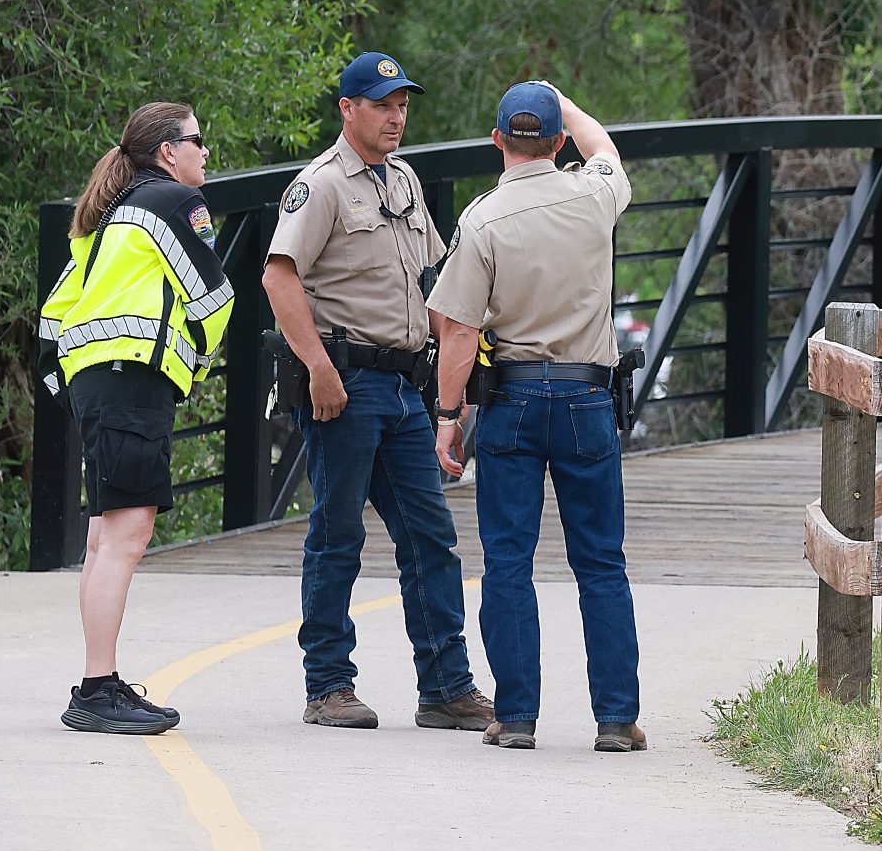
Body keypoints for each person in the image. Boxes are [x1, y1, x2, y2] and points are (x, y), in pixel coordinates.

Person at [262, 52, 491, 732]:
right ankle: (328, 684)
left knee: (432, 535)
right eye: (382, 105)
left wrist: (459, 379)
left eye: (402, 106)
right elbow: (279, 279)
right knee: (337, 536)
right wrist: (318, 369)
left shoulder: (404, 180)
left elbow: (437, 279)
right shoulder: (323, 185)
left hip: (403, 385)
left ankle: (445, 686)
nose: (396, 117)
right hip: (346, 383)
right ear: (348, 110)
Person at [428, 82, 644, 753]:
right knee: (601, 563)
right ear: (556, 143)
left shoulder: (483, 219)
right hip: (586, 399)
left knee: (509, 559)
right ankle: (615, 719)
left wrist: (446, 417)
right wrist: (563, 98)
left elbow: (460, 334)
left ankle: (516, 715)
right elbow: (604, 146)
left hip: (512, 402)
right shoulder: (595, 195)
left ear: (497, 141)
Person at [38, 101, 233, 735]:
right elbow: (213, 296)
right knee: (126, 535)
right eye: (197, 141)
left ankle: (101, 680)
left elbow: (54, 314)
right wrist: (197, 365)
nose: (206, 152)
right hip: (131, 381)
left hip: (99, 382)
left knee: (105, 537)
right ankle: (97, 689)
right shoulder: (175, 204)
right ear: (167, 153)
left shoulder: (106, 216)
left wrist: (69, 385)